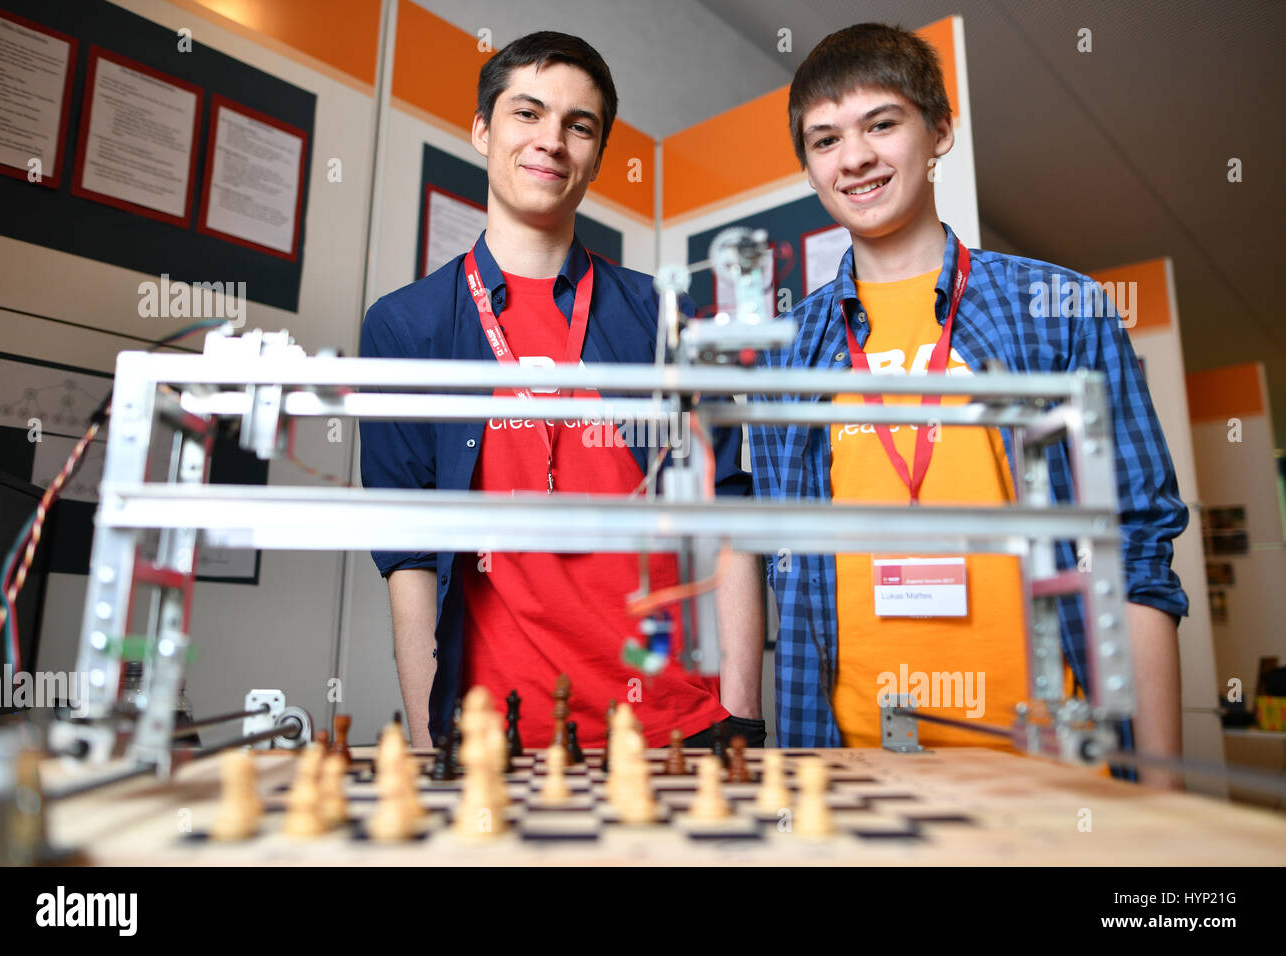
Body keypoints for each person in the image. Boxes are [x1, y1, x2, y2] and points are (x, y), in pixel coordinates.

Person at [749, 23, 1187, 787]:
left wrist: (1163, 784)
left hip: (1052, 764)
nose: (853, 158)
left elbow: (1138, 545)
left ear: (939, 131)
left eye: (881, 124)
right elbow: (770, 556)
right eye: (824, 140)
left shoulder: (1061, 308)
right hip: (845, 767)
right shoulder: (789, 348)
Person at [360, 32, 765, 751]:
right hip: (496, 736)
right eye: (528, 114)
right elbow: (410, 552)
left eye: (579, 126)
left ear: (598, 155)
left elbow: (725, 517)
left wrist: (740, 715)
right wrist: (430, 739)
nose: (551, 141)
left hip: (677, 728)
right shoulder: (407, 325)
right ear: (483, 128)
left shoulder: (665, 319)